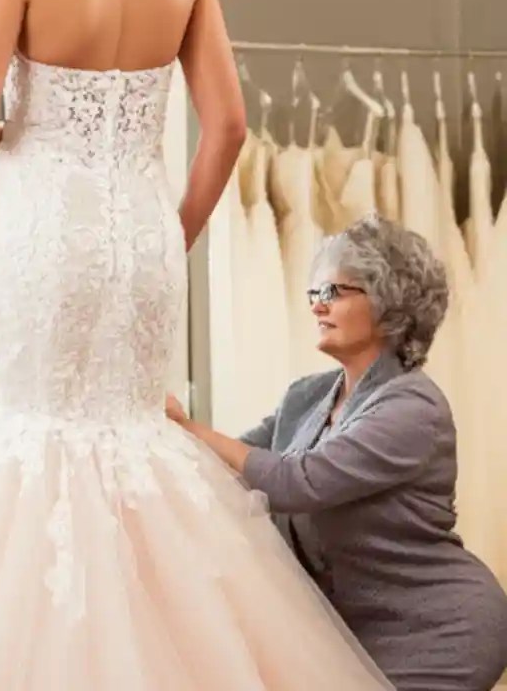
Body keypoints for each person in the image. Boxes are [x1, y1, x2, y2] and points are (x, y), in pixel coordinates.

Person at [0, 0, 395, 688]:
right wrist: (171, 232)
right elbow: (229, 127)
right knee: (132, 425)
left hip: (49, 233)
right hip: (144, 234)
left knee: (44, 426)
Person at [168, 217, 507, 691]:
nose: (318, 306)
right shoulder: (307, 396)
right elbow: (232, 465)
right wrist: (154, 430)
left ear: (390, 302)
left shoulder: (414, 408)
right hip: (351, 635)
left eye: (335, 291)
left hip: (438, 631)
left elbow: (298, 482)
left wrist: (187, 426)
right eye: (314, 294)